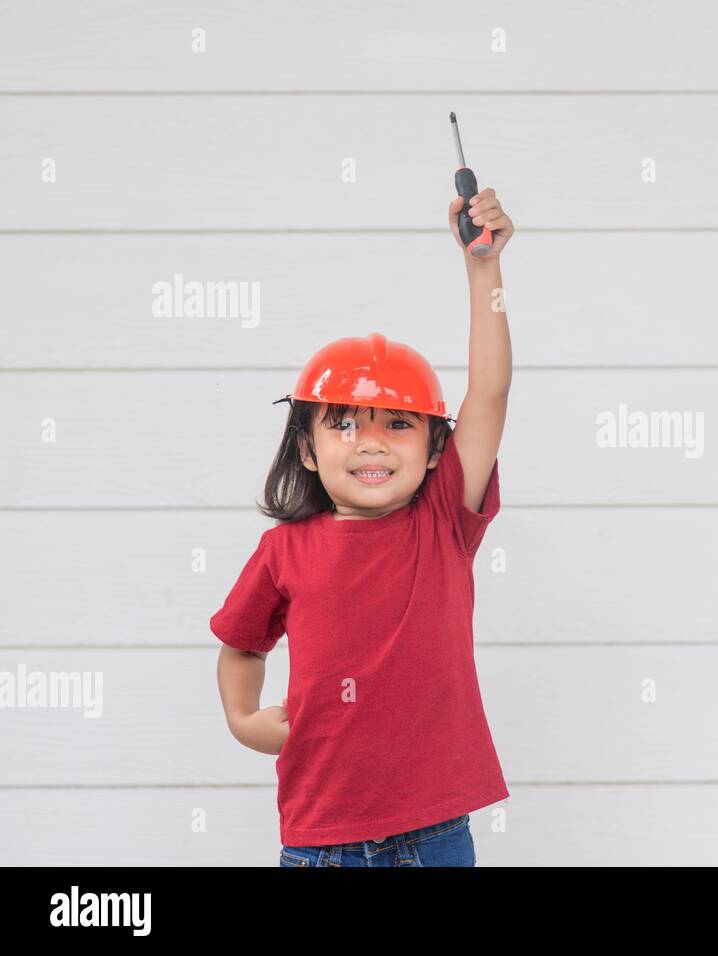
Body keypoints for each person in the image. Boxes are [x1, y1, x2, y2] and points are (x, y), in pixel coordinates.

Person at [210, 189, 514, 866]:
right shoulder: (282, 551)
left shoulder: (443, 521)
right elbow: (240, 644)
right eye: (344, 424)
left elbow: (489, 393)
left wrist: (483, 269)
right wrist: (242, 718)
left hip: (437, 836)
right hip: (321, 843)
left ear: (437, 449)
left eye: (397, 424)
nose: (370, 442)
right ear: (308, 450)